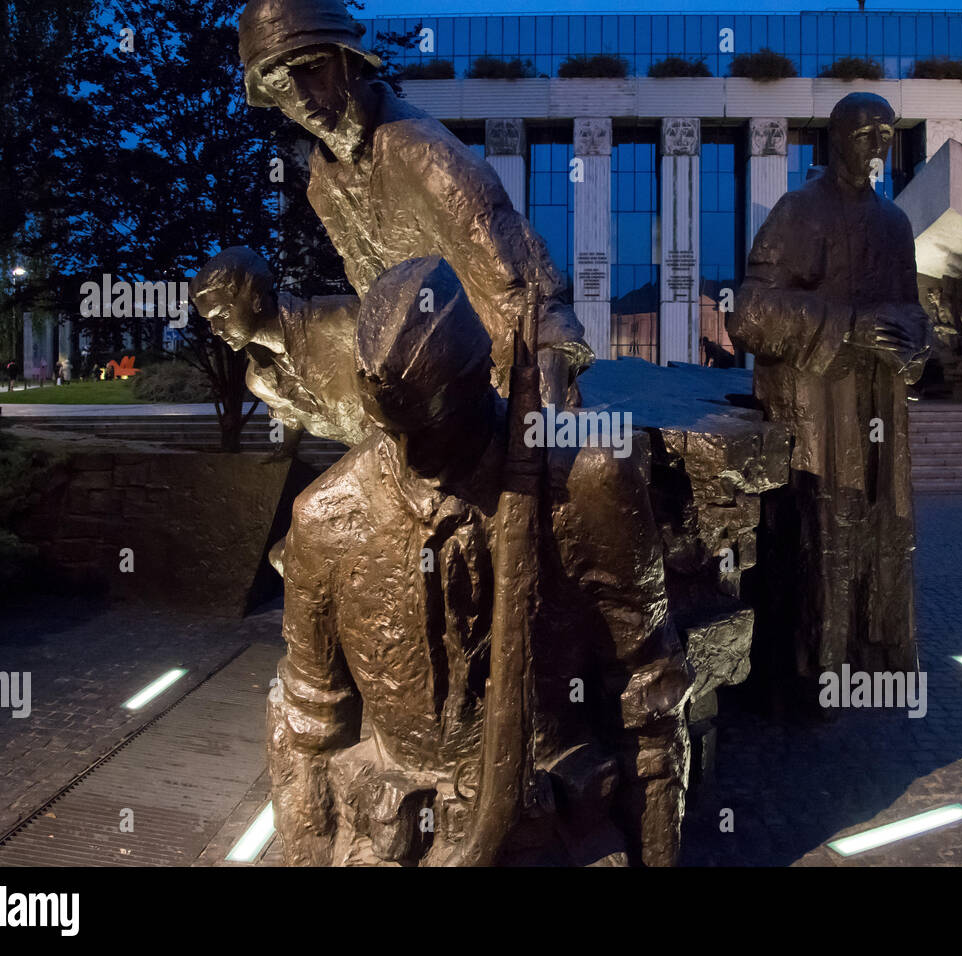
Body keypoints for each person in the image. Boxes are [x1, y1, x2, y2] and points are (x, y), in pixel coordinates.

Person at [268, 256, 690, 867]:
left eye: (433, 428)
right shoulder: (325, 519)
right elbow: (308, 720)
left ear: (477, 384)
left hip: (553, 836)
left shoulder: (586, 484)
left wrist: (656, 855)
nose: (413, 458)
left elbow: (648, 695)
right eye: (394, 431)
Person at [237, 0, 591, 406]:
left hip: (494, 389)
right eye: (279, 83)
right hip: (420, 391)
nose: (301, 96)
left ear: (350, 61)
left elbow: (522, 287)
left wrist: (540, 383)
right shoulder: (323, 180)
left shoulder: (422, 152)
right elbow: (375, 298)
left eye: (314, 67)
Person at [726, 92, 929, 707]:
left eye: (887, 135)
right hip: (818, 405)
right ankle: (814, 670)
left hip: (879, 405)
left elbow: (915, 310)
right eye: (867, 133)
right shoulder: (798, 211)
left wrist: (913, 339)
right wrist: (844, 323)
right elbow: (748, 313)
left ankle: (875, 658)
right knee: (821, 533)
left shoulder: (895, 224)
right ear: (837, 138)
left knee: (880, 521)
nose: (878, 147)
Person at [192, 246, 372, 458]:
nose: (216, 330)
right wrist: (286, 451)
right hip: (374, 458)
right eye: (209, 321)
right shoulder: (259, 381)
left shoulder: (344, 320)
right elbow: (291, 416)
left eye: (222, 315)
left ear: (255, 297)